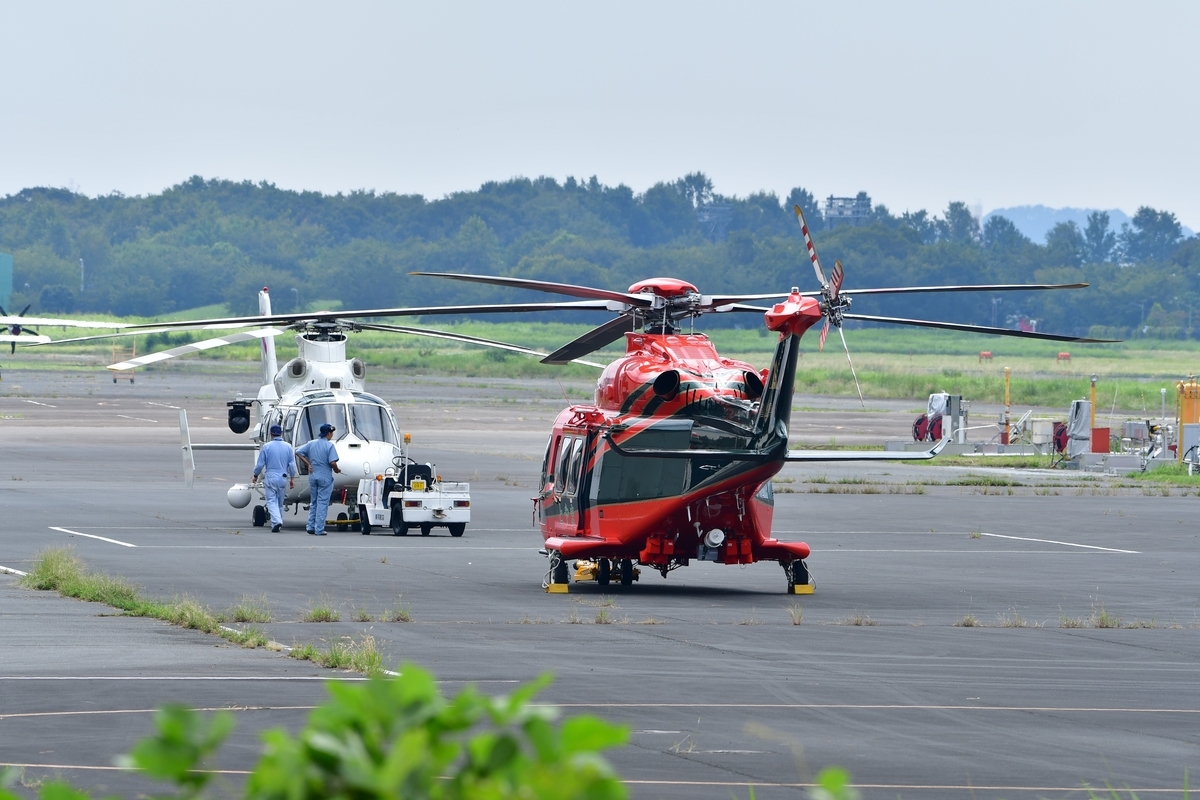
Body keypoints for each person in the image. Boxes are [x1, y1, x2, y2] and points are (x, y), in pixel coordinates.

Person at [295, 422, 341, 536]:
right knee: (323, 502)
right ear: (328, 434)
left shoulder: (311, 443)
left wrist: (308, 464)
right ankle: (319, 528)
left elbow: (298, 452)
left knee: (314, 502)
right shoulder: (329, 446)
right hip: (324, 476)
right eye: (331, 433)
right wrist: (337, 469)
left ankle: (310, 526)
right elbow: (332, 462)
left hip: (313, 475)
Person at [252, 424, 296, 532]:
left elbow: (260, 464)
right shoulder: (288, 446)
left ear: (271, 434)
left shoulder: (266, 447)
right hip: (283, 476)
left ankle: (277, 521)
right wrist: (292, 478)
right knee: (280, 502)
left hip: (271, 475)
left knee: (271, 500)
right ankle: (278, 522)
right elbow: (292, 464)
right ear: (281, 433)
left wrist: (255, 475)